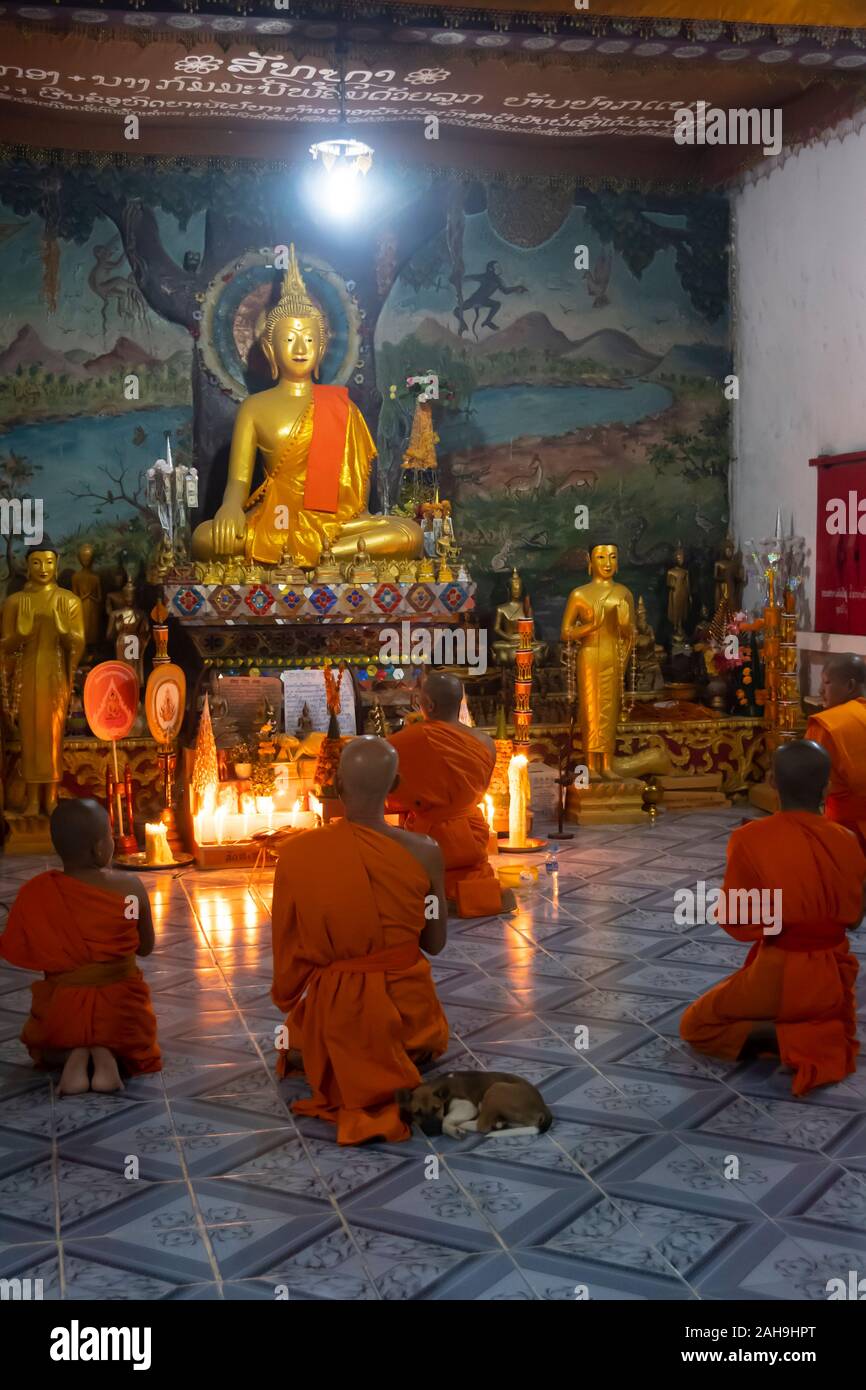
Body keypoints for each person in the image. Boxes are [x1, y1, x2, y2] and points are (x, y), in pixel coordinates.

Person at [271, 737, 449, 1144]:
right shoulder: (427, 852)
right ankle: (401, 1054)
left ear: (336, 786)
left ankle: (338, 1054)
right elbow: (435, 940)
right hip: (407, 1014)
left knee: (301, 1045)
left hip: (335, 1010)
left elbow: (288, 946)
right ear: (396, 784)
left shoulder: (298, 855)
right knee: (414, 1041)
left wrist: (291, 993)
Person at [680, 741, 866, 1096]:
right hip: (833, 979)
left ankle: (790, 1035)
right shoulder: (848, 839)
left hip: (779, 975)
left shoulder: (750, 838)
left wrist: (784, 903)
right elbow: (855, 920)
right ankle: (818, 1028)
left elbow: (739, 923)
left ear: (772, 783)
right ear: (826, 788)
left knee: (697, 1025)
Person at [0, 798, 159, 1093]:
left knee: (46, 1046)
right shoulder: (130, 891)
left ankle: (74, 1055)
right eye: (110, 835)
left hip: (63, 1012)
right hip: (121, 1013)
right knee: (134, 1039)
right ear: (100, 848)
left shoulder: (38, 893)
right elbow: (145, 947)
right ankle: (107, 1054)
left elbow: (28, 950)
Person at [387, 671, 504, 918]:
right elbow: (477, 789)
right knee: (473, 869)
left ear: (428, 704)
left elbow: (390, 790)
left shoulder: (409, 739)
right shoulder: (485, 742)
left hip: (431, 839)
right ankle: (474, 892)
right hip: (472, 835)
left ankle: (434, 895)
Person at [805, 653, 866, 850]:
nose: (821, 690)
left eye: (827, 683)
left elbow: (807, 783)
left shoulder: (828, 726)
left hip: (847, 830)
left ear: (849, 686)